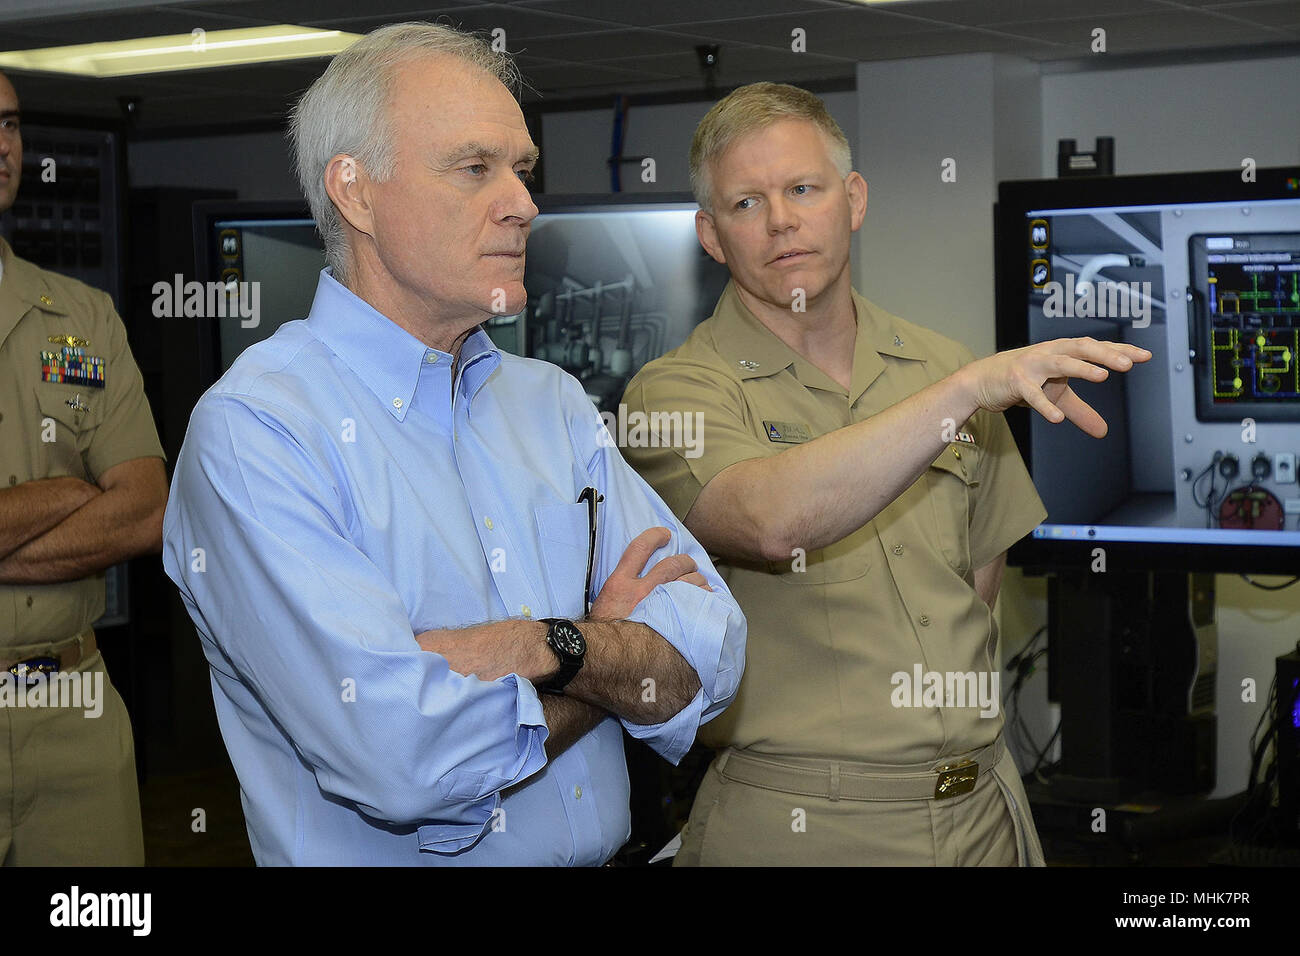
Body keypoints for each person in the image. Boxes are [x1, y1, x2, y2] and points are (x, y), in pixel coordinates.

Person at [161, 23, 744, 866]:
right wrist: (599, 649)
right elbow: (404, 760)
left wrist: (536, 645)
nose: (524, 202)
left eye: (522, 169)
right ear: (355, 193)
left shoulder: (549, 403)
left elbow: (711, 650)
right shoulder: (258, 432)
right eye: (476, 168)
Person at [620, 82, 1150, 866]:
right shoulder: (674, 393)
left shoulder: (939, 363)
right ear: (709, 233)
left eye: (804, 188)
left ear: (853, 200)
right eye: (745, 203)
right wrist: (967, 392)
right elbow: (771, 520)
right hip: (807, 822)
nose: (782, 221)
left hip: (983, 810)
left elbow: (978, 579)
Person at [0, 71, 168, 865]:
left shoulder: (82, 316)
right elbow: (105, 499)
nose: (1, 146)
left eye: (7, 124)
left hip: (74, 709)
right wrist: (67, 496)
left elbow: (143, 508)